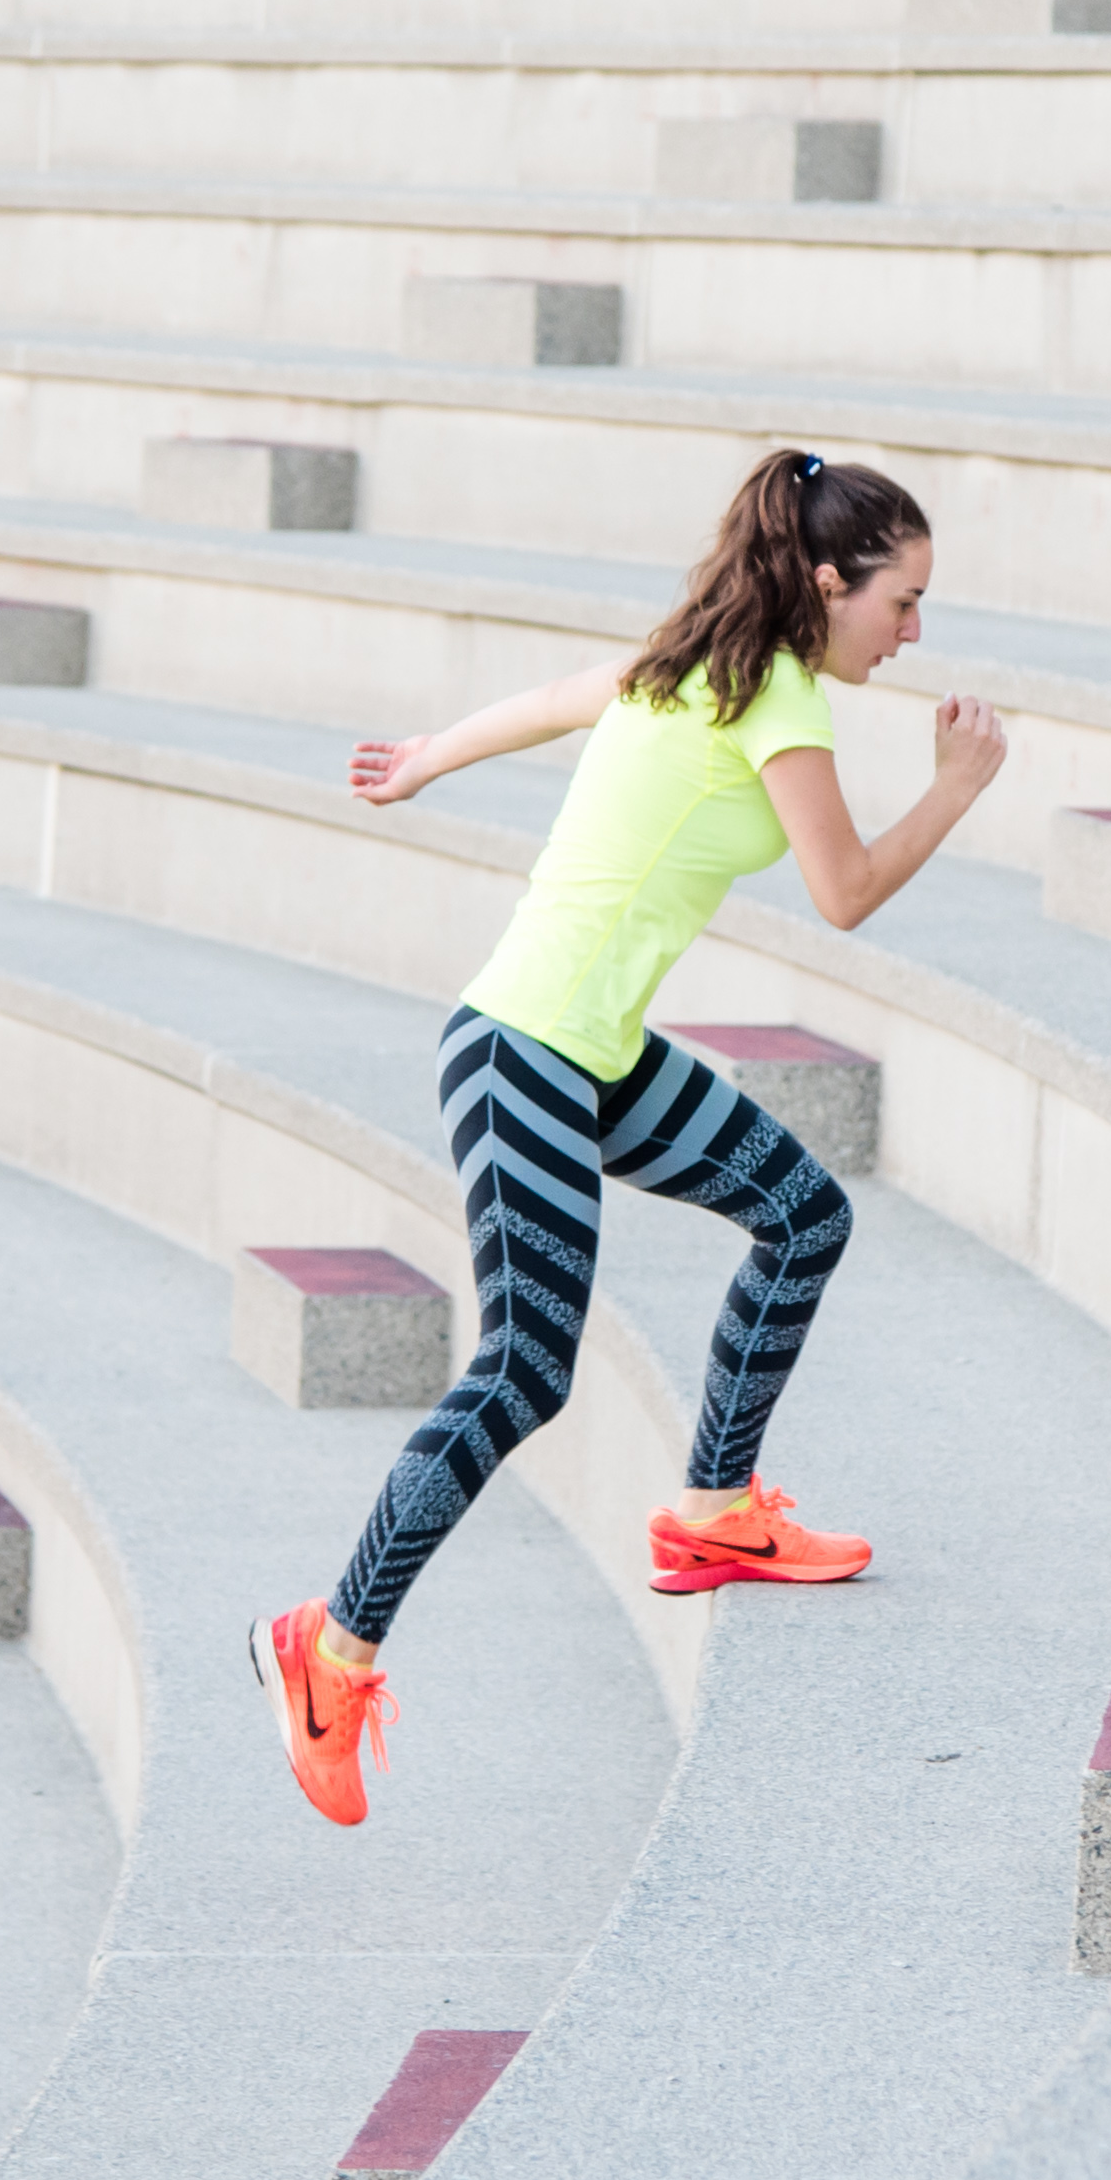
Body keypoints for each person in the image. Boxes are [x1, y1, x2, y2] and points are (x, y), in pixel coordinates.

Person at [253, 448, 1009, 1825]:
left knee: (802, 1211)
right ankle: (330, 1645)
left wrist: (429, 754)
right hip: (526, 1055)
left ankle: (716, 1508)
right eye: (901, 602)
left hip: (579, 1054)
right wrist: (959, 783)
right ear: (828, 584)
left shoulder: (698, 657)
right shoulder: (773, 693)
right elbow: (840, 894)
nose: (913, 634)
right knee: (523, 1370)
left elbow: (554, 699)